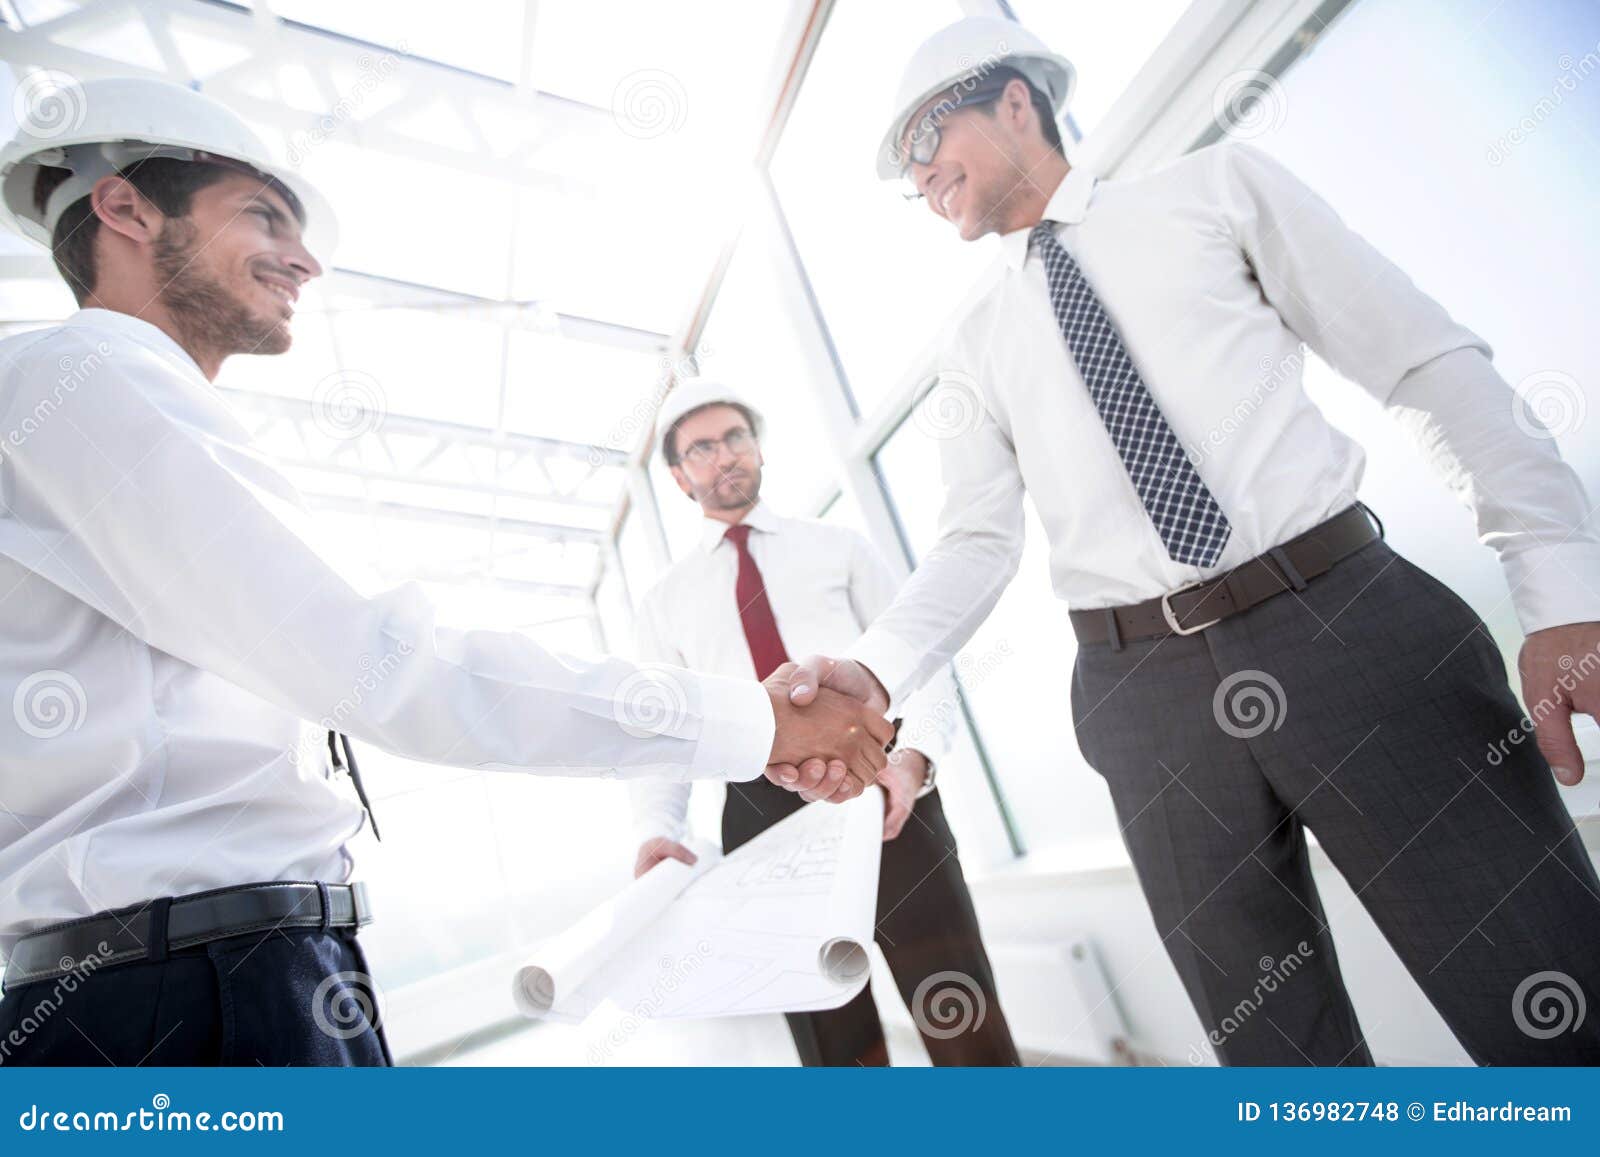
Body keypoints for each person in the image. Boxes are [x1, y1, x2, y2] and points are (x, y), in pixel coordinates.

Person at [0, 77, 891, 1067]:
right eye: (262, 217)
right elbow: (382, 662)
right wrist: (759, 721)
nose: (304, 257)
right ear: (124, 207)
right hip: (184, 994)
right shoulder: (86, 381)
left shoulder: (107, 404)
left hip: (209, 970)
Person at [785, 15, 1600, 1065]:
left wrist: (1561, 584)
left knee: (1546, 992)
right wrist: (871, 665)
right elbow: (974, 542)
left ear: (1015, 101)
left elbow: (1423, 362)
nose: (917, 173)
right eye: (905, 166)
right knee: (1274, 1055)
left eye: (923, 137)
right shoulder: (974, 344)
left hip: (1349, 624)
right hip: (1141, 698)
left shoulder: (1214, 189)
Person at [628, 378, 1019, 1066]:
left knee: (959, 1006)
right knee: (833, 1044)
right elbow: (666, 736)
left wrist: (914, 761)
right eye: (703, 447)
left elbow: (925, 659)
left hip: (885, 788)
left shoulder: (839, 547)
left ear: (758, 449)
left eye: (736, 437)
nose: (725, 456)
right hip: (759, 820)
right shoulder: (663, 603)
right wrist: (658, 829)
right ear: (679, 475)